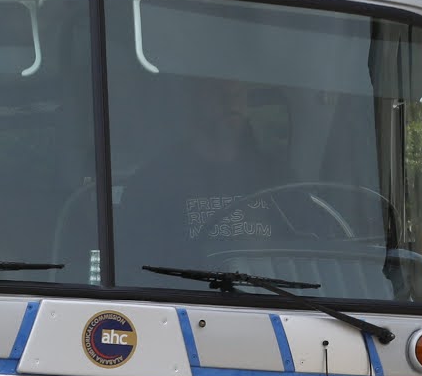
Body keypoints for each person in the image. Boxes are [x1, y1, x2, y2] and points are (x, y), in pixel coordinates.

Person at [114, 76, 292, 276]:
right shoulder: (152, 183)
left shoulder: (278, 176)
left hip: (273, 298)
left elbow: (314, 246)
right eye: (217, 91)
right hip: (192, 301)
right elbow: (139, 273)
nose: (231, 99)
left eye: (239, 93)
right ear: (192, 101)